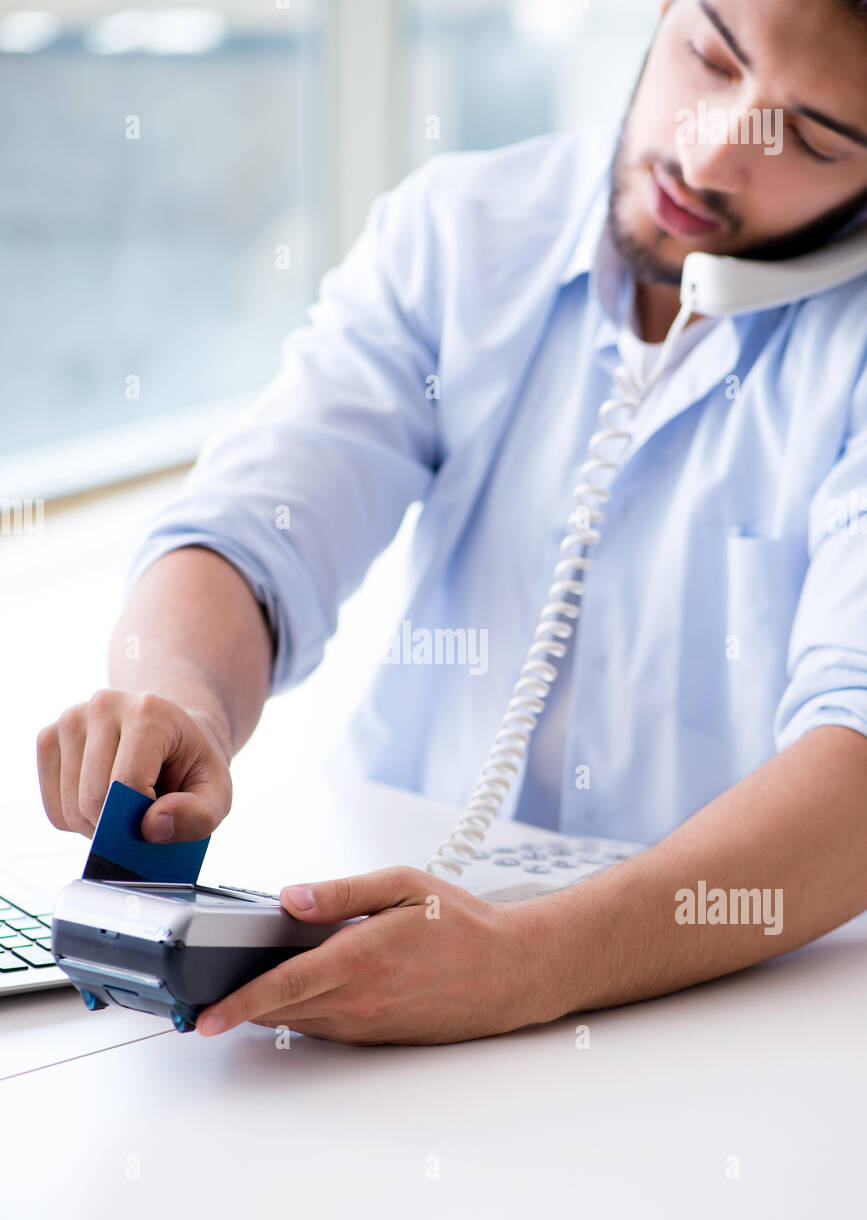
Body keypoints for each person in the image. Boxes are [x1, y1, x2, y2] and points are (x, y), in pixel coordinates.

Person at [37, 0, 867, 1044]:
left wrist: (537, 962)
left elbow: (860, 758)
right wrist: (180, 698)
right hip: (372, 955)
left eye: (811, 136)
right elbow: (254, 520)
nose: (708, 158)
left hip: (706, 1017)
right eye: (709, 56)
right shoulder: (465, 229)